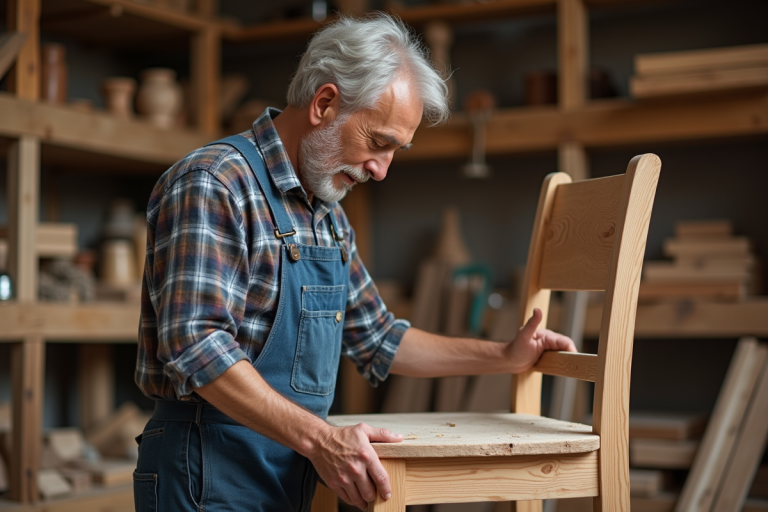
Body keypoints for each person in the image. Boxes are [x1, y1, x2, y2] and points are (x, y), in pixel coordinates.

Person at [133, 13, 576, 512]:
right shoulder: (216, 183)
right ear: (324, 104)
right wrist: (322, 440)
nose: (381, 170)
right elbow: (196, 346)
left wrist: (503, 356)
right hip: (206, 472)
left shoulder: (327, 216)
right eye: (379, 143)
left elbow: (379, 337)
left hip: (286, 469)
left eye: (396, 152)